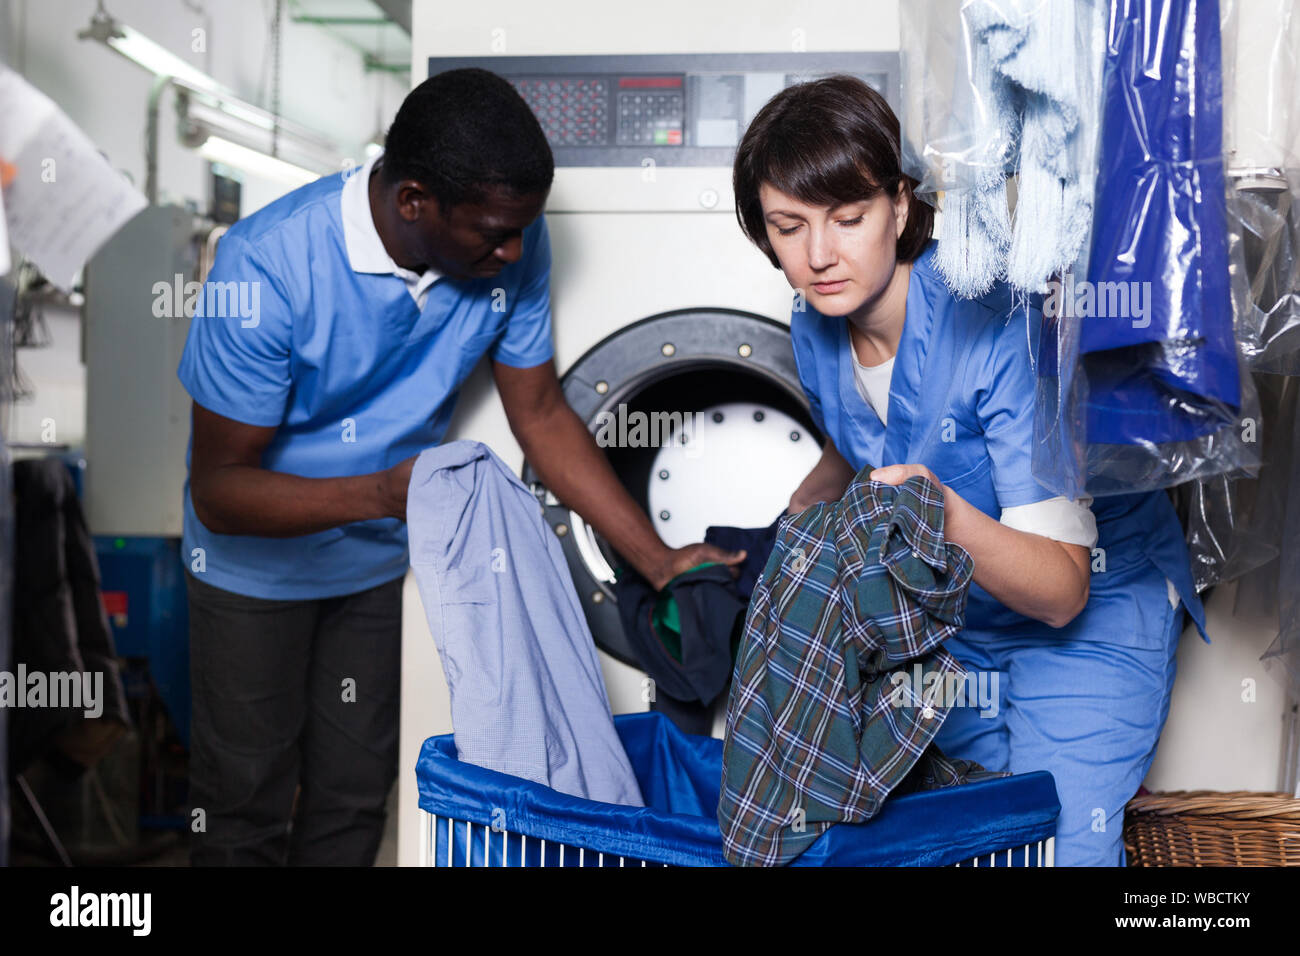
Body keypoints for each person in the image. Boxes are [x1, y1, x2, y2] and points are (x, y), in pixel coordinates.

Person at [176, 68, 743, 866]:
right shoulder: (266, 267)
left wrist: (657, 560)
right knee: (246, 804)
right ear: (413, 201)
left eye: (521, 230)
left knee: (351, 797)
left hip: (373, 564)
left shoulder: (509, 241)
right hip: (253, 572)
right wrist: (383, 491)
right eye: (492, 232)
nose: (513, 250)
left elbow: (541, 414)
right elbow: (221, 489)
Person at [731, 75, 1208, 866]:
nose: (819, 255)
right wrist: (799, 524)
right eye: (788, 227)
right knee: (958, 840)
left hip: (1089, 609)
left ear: (902, 205)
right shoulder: (815, 325)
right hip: (959, 622)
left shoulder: (998, 324)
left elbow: (1062, 590)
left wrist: (936, 508)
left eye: (849, 219)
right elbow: (874, 436)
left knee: (1060, 851)